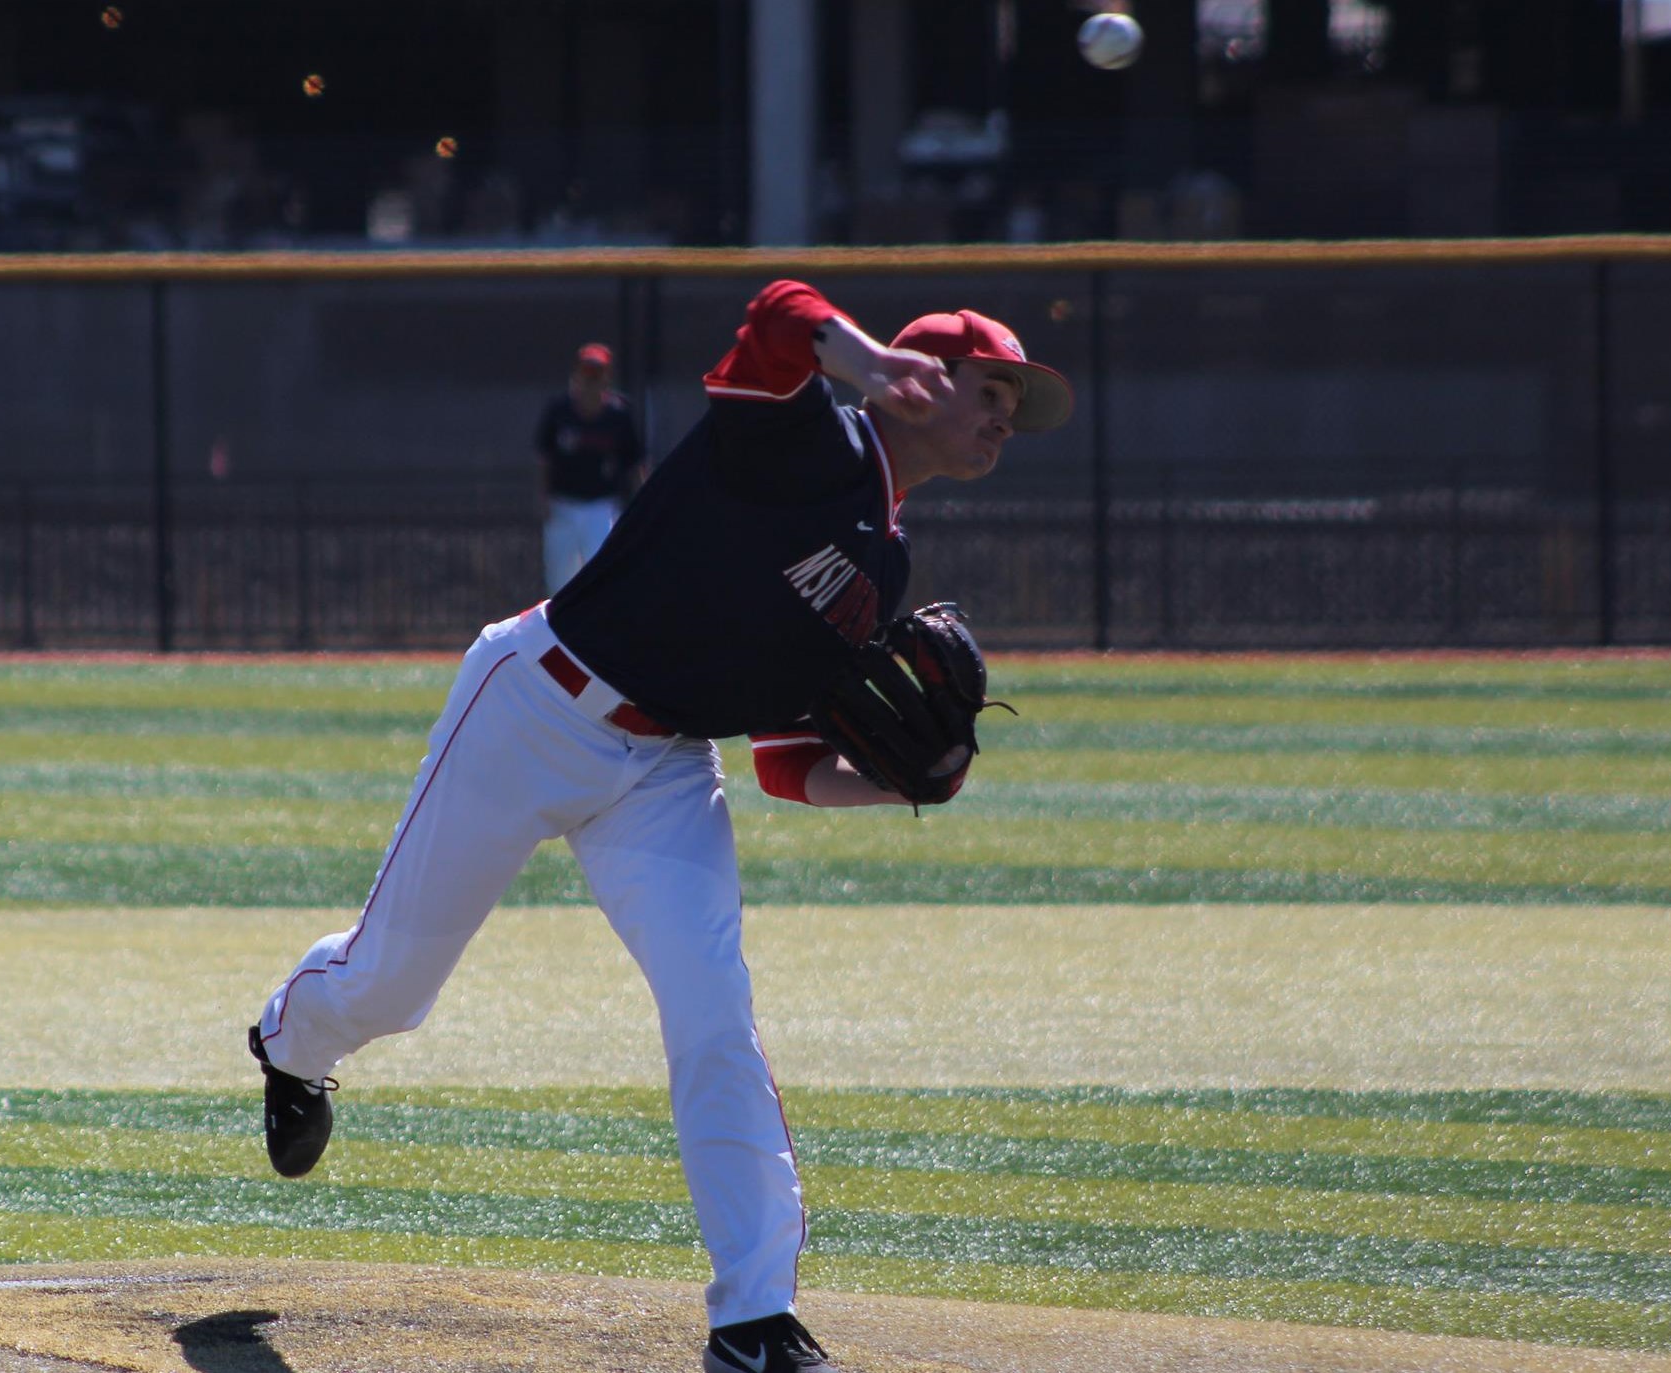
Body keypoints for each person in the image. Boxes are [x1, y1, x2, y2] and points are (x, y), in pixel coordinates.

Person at [247, 280, 1073, 1373]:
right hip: (536, 703)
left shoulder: (883, 564)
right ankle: (290, 1040)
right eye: (990, 385)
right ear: (921, 379)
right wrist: (863, 361)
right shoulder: (804, 435)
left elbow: (785, 764)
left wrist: (910, 784)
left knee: (714, 1013)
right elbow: (775, 314)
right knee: (391, 986)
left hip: (667, 770)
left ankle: (753, 1319)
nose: (1006, 411)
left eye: (1015, 396)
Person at [534, 341, 645, 594]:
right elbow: (544, 457)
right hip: (563, 505)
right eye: (587, 372)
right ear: (577, 374)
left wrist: (642, 504)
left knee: (602, 575)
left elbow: (635, 463)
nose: (592, 380)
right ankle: (559, 633)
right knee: (560, 580)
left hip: (601, 507)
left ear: (607, 377)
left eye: (598, 373)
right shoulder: (559, 411)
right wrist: (542, 497)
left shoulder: (619, 415)